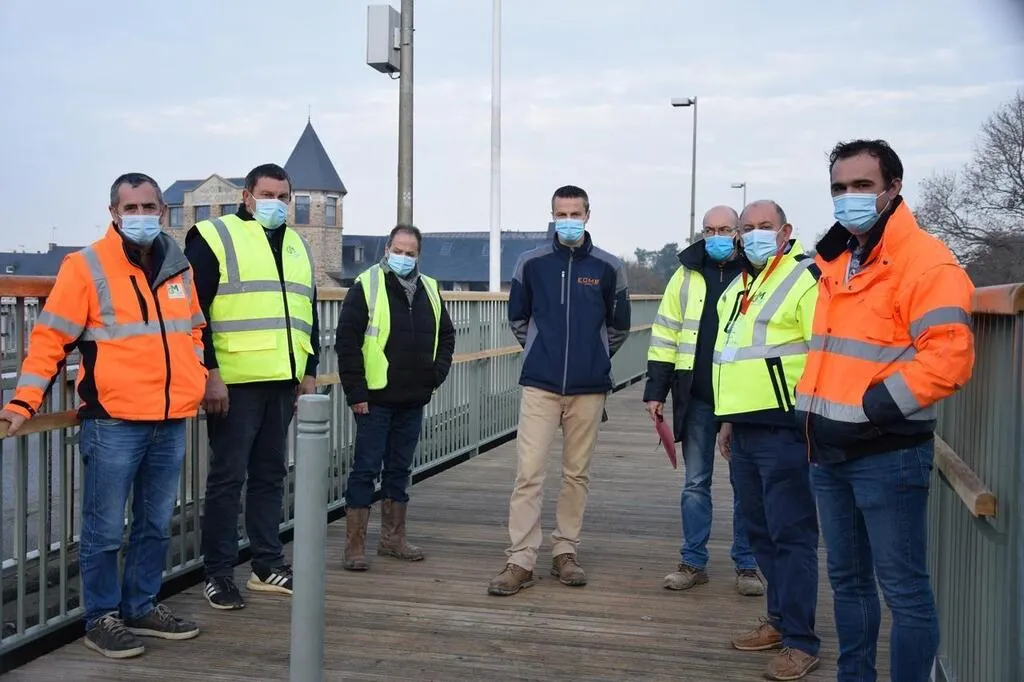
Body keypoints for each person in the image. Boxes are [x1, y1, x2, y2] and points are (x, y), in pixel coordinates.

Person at [0, 173, 207, 658]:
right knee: (105, 528)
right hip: (114, 420)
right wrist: (23, 401)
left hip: (170, 416)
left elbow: (194, 327)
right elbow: (50, 339)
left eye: (149, 206)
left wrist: (196, 371)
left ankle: (141, 606)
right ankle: (101, 617)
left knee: (156, 523)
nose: (141, 215)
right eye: (130, 207)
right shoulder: (87, 266)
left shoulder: (178, 266)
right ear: (114, 213)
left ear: (163, 210)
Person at [796, 139, 975, 682]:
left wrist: (875, 408)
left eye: (862, 186)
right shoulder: (837, 260)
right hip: (828, 450)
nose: (848, 197)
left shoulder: (927, 261)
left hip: (887, 452)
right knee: (847, 583)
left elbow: (949, 358)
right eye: (839, 188)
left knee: (904, 592)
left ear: (893, 188)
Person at [184, 163, 320, 610]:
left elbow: (307, 312)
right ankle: (219, 573)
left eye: (284, 197)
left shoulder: (298, 244)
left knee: (270, 475)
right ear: (247, 196)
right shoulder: (214, 236)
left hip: (283, 379)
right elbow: (194, 312)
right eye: (268, 195)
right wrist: (211, 371)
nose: (277, 204)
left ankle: (267, 563)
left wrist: (309, 370)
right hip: (235, 383)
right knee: (227, 478)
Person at [488, 184, 632, 596]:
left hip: (588, 388)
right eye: (561, 213)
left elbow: (618, 326)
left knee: (576, 475)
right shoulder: (531, 263)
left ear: (588, 215)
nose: (568, 220)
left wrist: (595, 356)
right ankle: (521, 558)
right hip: (541, 385)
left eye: (575, 213)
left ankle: (565, 551)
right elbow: (518, 319)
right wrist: (542, 352)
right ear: (551, 215)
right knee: (528, 473)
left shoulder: (609, 267)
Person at [715, 200, 822, 680]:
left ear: (785, 231)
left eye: (764, 227)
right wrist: (727, 420)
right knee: (759, 532)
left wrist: (812, 418)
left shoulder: (805, 278)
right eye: (747, 228)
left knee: (791, 534)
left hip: (786, 427)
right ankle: (779, 622)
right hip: (745, 427)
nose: (754, 235)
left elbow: (822, 352)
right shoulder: (742, 286)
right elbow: (734, 360)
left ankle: (801, 640)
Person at [643, 205, 762, 596]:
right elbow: (664, 334)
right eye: (709, 229)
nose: (716, 236)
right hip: (697, 396)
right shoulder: (686, 273)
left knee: (746, 483)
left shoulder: (758, 272)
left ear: (739, 232)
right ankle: (693, 561)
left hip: (744, 396)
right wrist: (655, 392)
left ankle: (747, 564)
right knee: (696, 482)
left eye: (724, 229)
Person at [336, 224, 456, 570]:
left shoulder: (430, 288)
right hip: (373, 398)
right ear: (387, 249)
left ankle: (392, 539)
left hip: (413, 397)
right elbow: (347, 343)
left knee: (400, 469)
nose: (404, 257)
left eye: (411, 252)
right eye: (398, 250)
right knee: (365, 469)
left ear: (419, 255)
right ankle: (355, 546)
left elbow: (446, 336)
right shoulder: (366, 285)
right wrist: (356, 392)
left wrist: (436, 375)